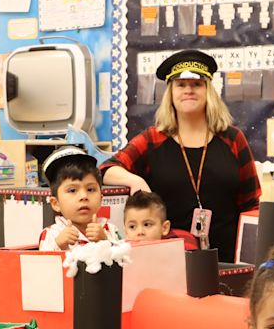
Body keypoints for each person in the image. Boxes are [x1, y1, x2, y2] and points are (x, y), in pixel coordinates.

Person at [101, 50, 260, 263]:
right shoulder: (152, 140)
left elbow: (251, 206)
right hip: (167, 263)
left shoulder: (233, 139)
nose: (188, 90)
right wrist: (135, 180)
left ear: (208, 90)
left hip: (229, 262)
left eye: (196, 84)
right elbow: (105, 170)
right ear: (171, 93)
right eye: (181, 84)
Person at [37, 146, 123, 251]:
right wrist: (58, 245)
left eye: (90, 189)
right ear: (55, 203)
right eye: (72, 190)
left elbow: (124, 256)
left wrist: (105, 241)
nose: (84, 196)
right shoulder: (52, 234)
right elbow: (42, 260)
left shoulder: (111, 230)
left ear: (101, 199)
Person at [122, 189, 197, 248]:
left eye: (147, 224)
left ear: (164, 228)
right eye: (132, 227)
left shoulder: (180, 251)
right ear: (125, 231)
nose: (140, 232)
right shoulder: (120, 256)